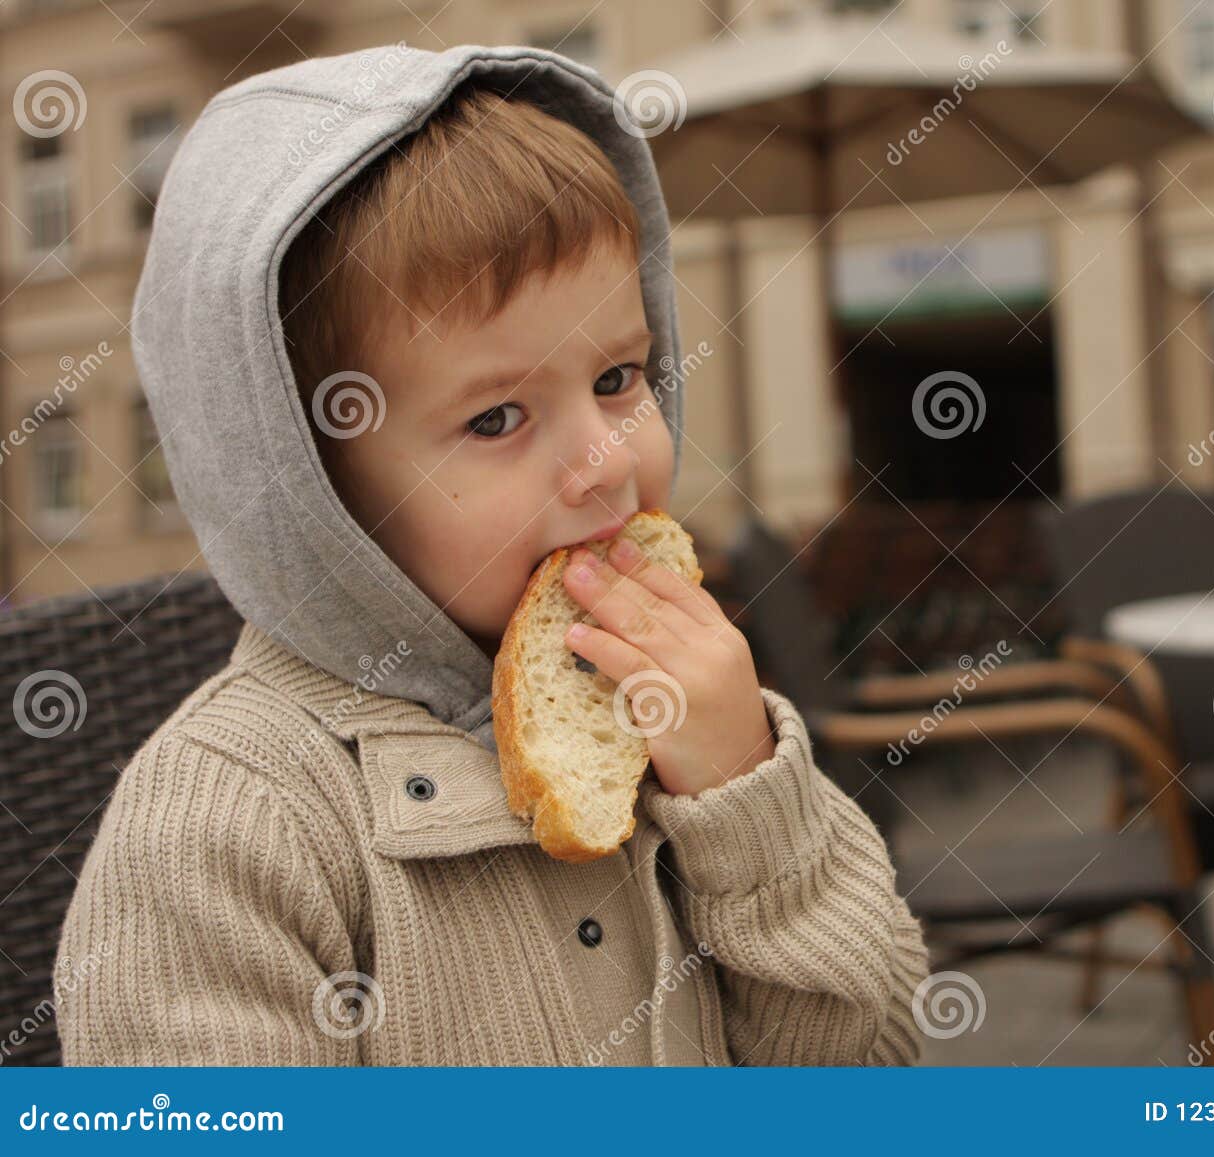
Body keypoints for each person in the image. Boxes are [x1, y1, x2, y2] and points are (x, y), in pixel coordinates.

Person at [53, 44, 928, 1066]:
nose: (607, 462)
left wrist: (744, 802)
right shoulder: (225, 826)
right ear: (307, 481)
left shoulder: (674, 717)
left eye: (618, 377)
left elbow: (875, 1062)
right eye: (497, 416)